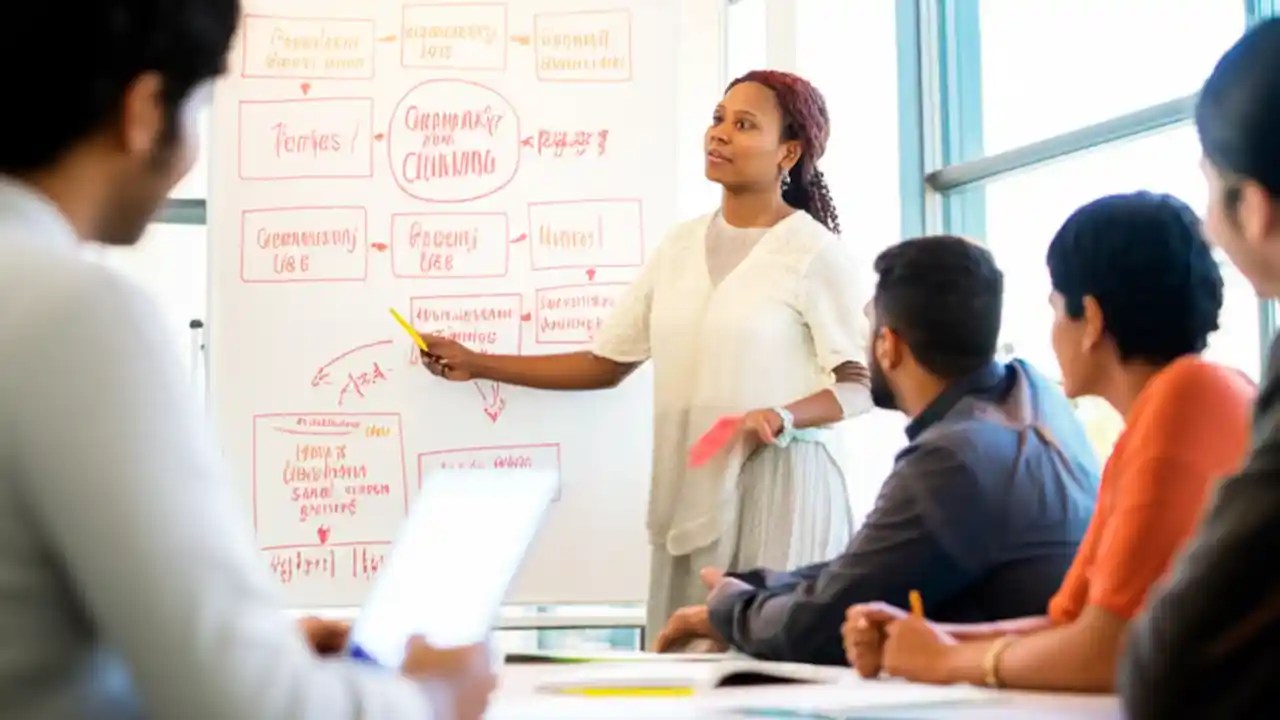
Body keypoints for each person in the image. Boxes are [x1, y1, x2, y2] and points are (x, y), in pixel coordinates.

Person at [0, 2, 493, 718]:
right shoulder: (74, 312)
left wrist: (250, 652)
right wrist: (432, 696)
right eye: (199, 109)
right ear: (145, 111)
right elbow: (246, 708)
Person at [418, 70, 874, 641]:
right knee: (683, 656)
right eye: (718, 119)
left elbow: (860, 384)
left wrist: (783, 416)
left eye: (744, 124)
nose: (720, 134)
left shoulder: (813, 251)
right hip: (691, 485)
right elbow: (607, 363)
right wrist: (478, 363)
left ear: (789, 152)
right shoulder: (679, 246)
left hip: (779, 488)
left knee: (763, 664)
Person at [845, 192, 1255, 693]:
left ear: (1092, 321)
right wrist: (930, 640)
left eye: (1057, 309)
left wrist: (948, 661)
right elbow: (1072, 623)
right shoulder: (1182, 404)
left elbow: (1108, 650)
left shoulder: (1184, 398)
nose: (1054, 332)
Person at [653, 236, 1100, 665]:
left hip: (1008, 694)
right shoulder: (1035, 399)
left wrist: (729, 610)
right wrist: (757, 588)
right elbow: (871, 568)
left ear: (889, 346)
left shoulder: (953, 458)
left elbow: (818, 628)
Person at [1120, 18, 1280, 718]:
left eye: (1212, 191)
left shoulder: (1184, 388)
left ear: (1256, 207)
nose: (1210, 227)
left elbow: (1173, 661)